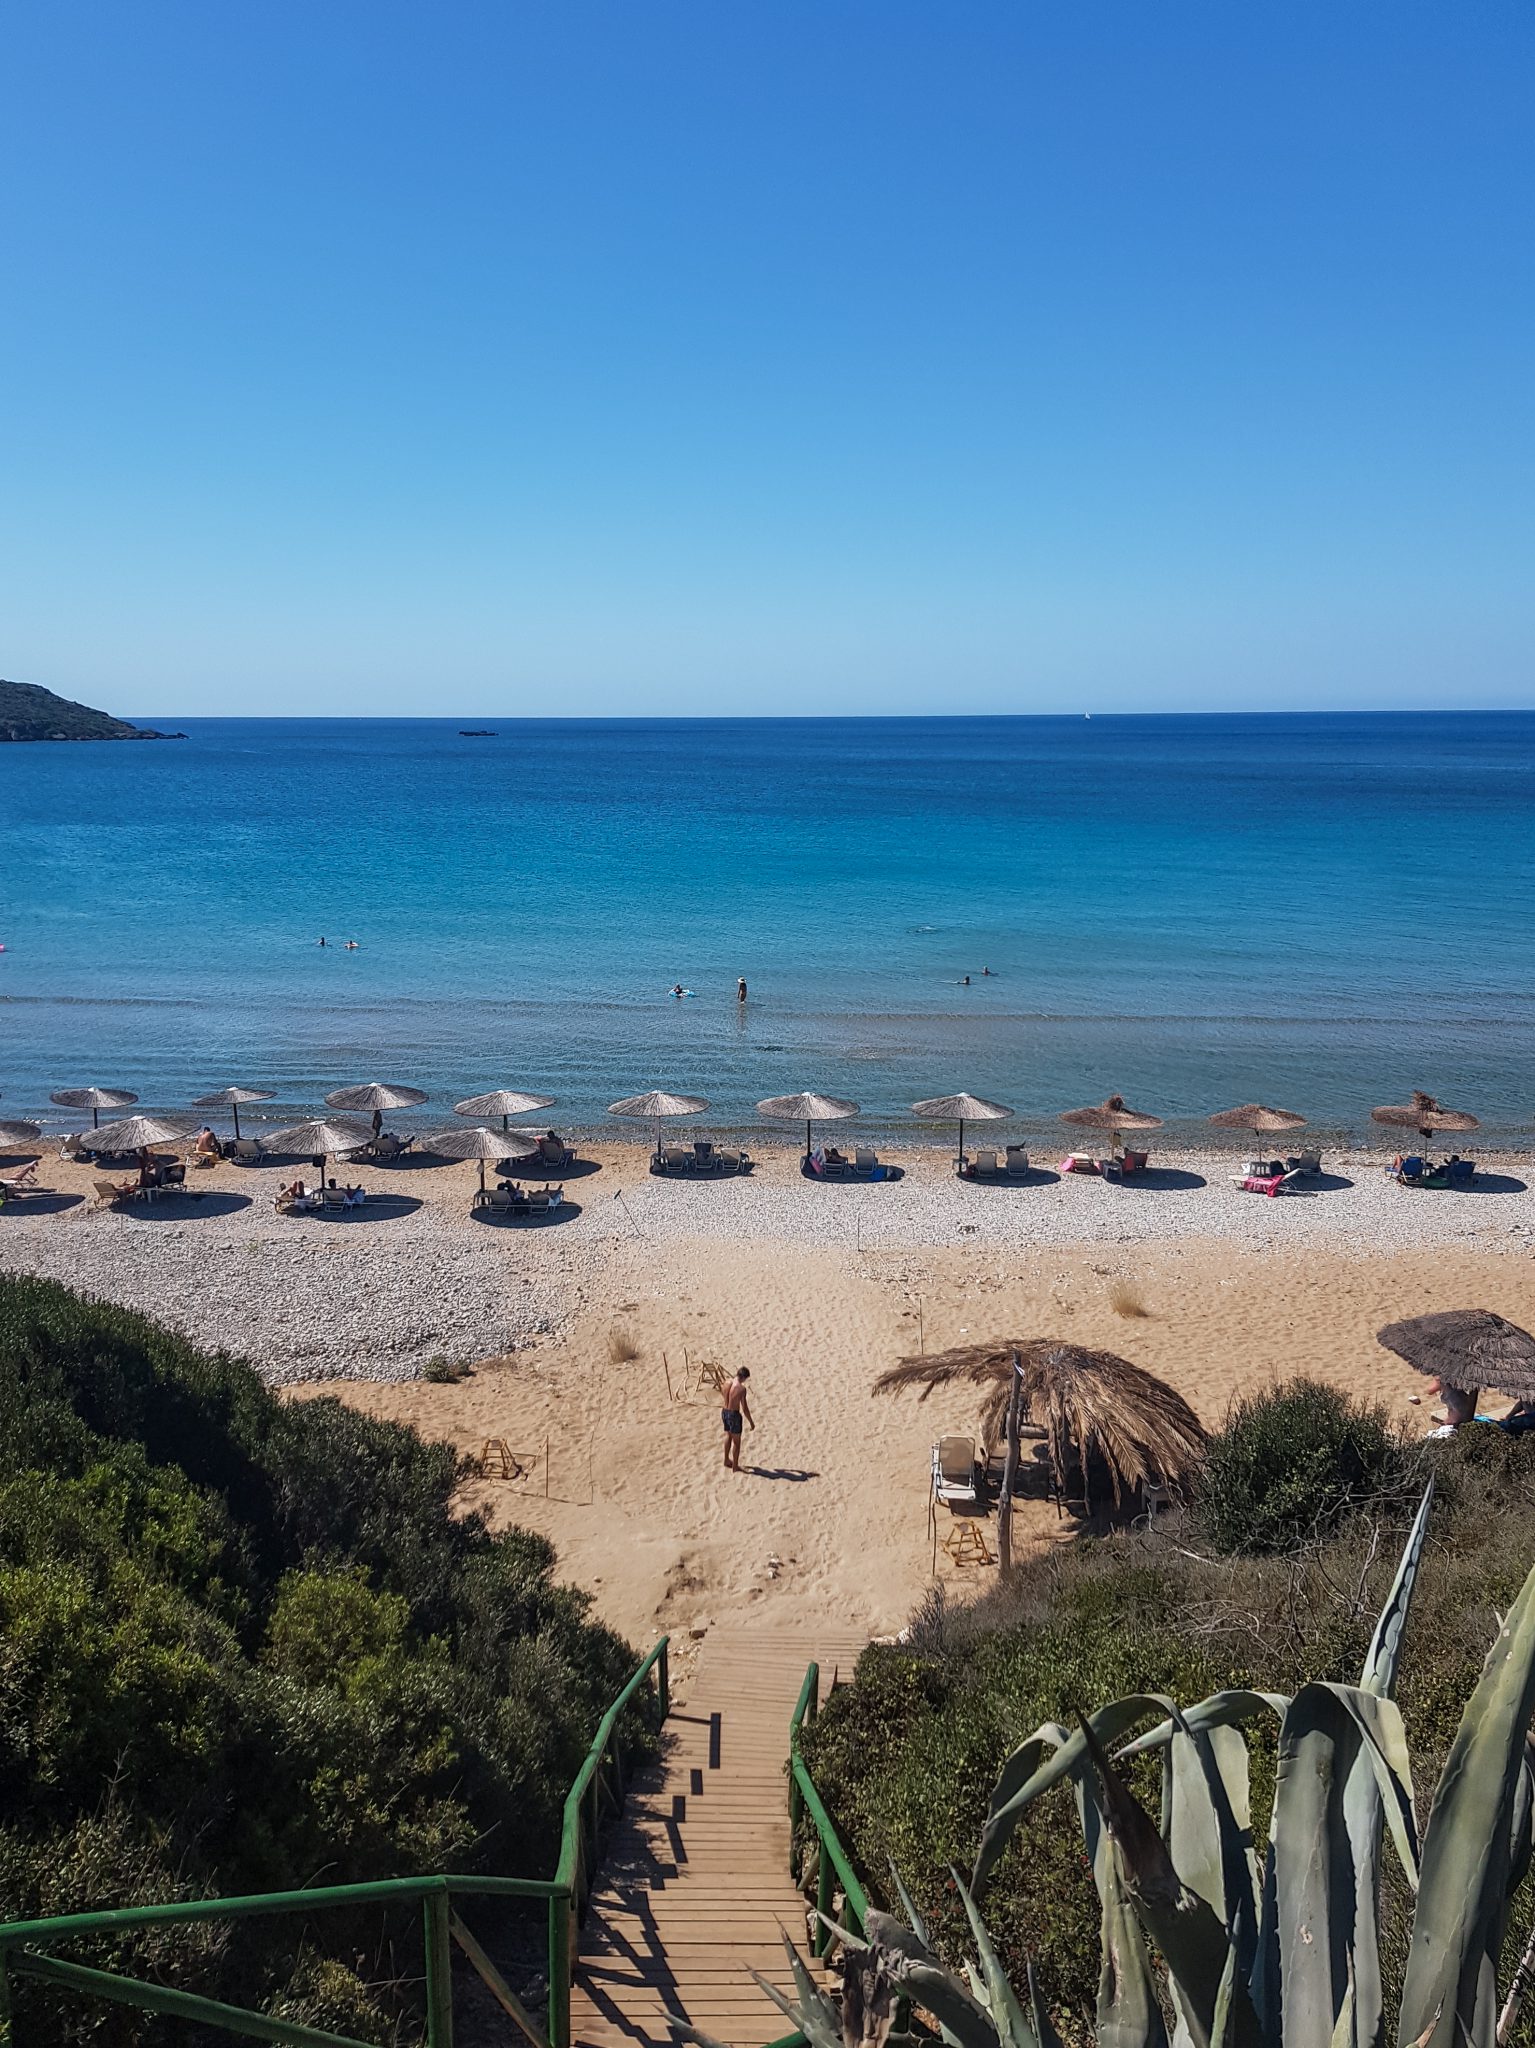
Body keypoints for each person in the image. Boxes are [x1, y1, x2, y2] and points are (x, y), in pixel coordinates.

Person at [721, 1368, 754, 1472]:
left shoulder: (726, 1382)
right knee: (736, 1442)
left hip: (725, 1411)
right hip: (734, 1414)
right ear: (744, 1377)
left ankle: (726, 1460)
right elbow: (744, 1408)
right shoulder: (741, 1389)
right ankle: (735, 1466)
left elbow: (723, 1393)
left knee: (728, 1435)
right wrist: (751, 1422)